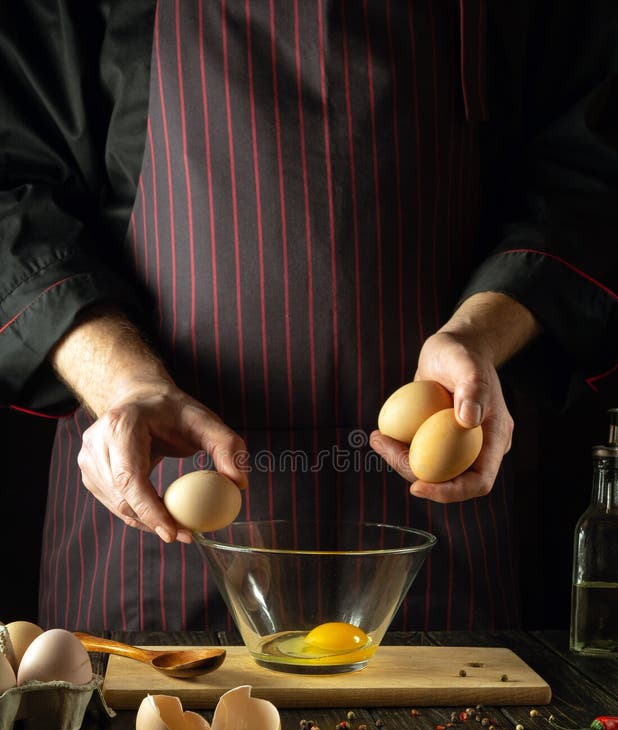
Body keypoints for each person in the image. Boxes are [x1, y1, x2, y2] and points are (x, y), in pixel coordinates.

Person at [1, 1, 616, 633]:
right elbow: (13, 192)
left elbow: (590, 173)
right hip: (161, 517)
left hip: (436, 525)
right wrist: (125, 385)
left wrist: (478, 335)